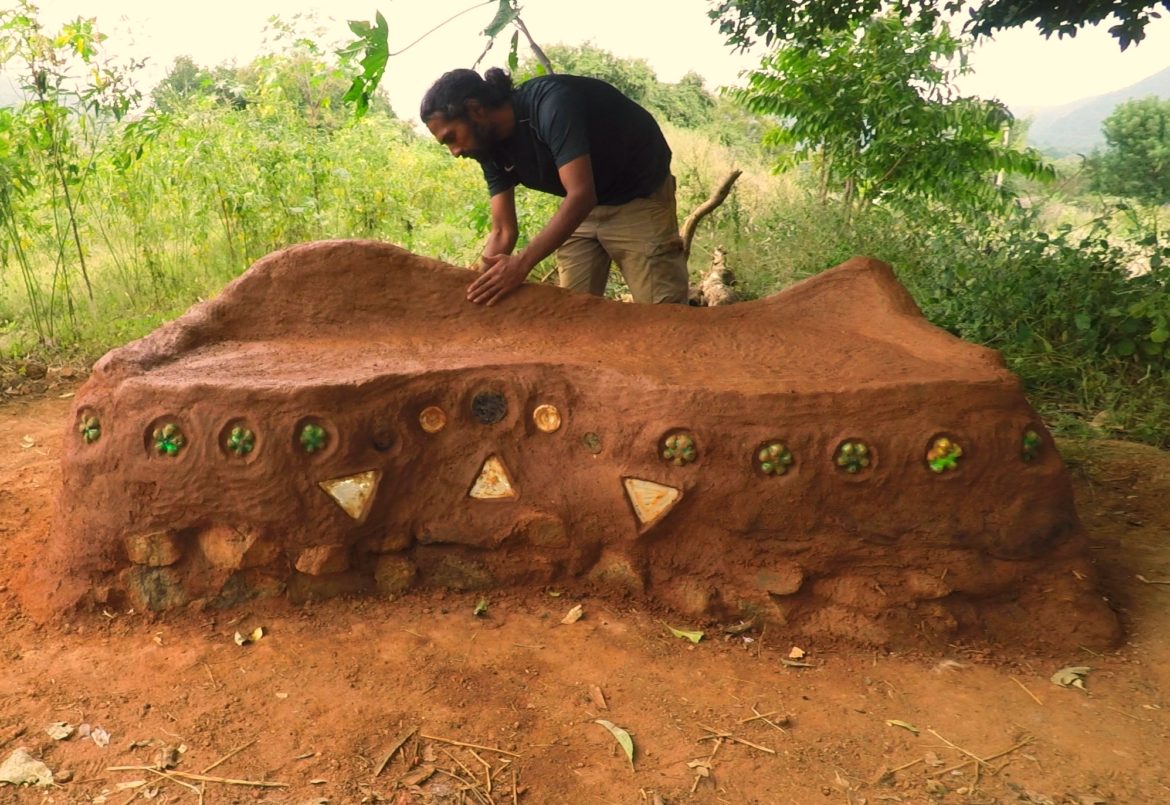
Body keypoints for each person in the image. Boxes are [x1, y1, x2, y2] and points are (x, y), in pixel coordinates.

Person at [420, 68, 689, 306]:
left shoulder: (550, 105)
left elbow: (581, 194)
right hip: (583, 212)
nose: (455, 152)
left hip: (636, 195)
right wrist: (473, 288)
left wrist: (521, 264)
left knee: (661, 314)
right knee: (570, 312)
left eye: (451, 138)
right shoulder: (487, 147)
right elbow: (503, 232)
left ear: (475, 110)